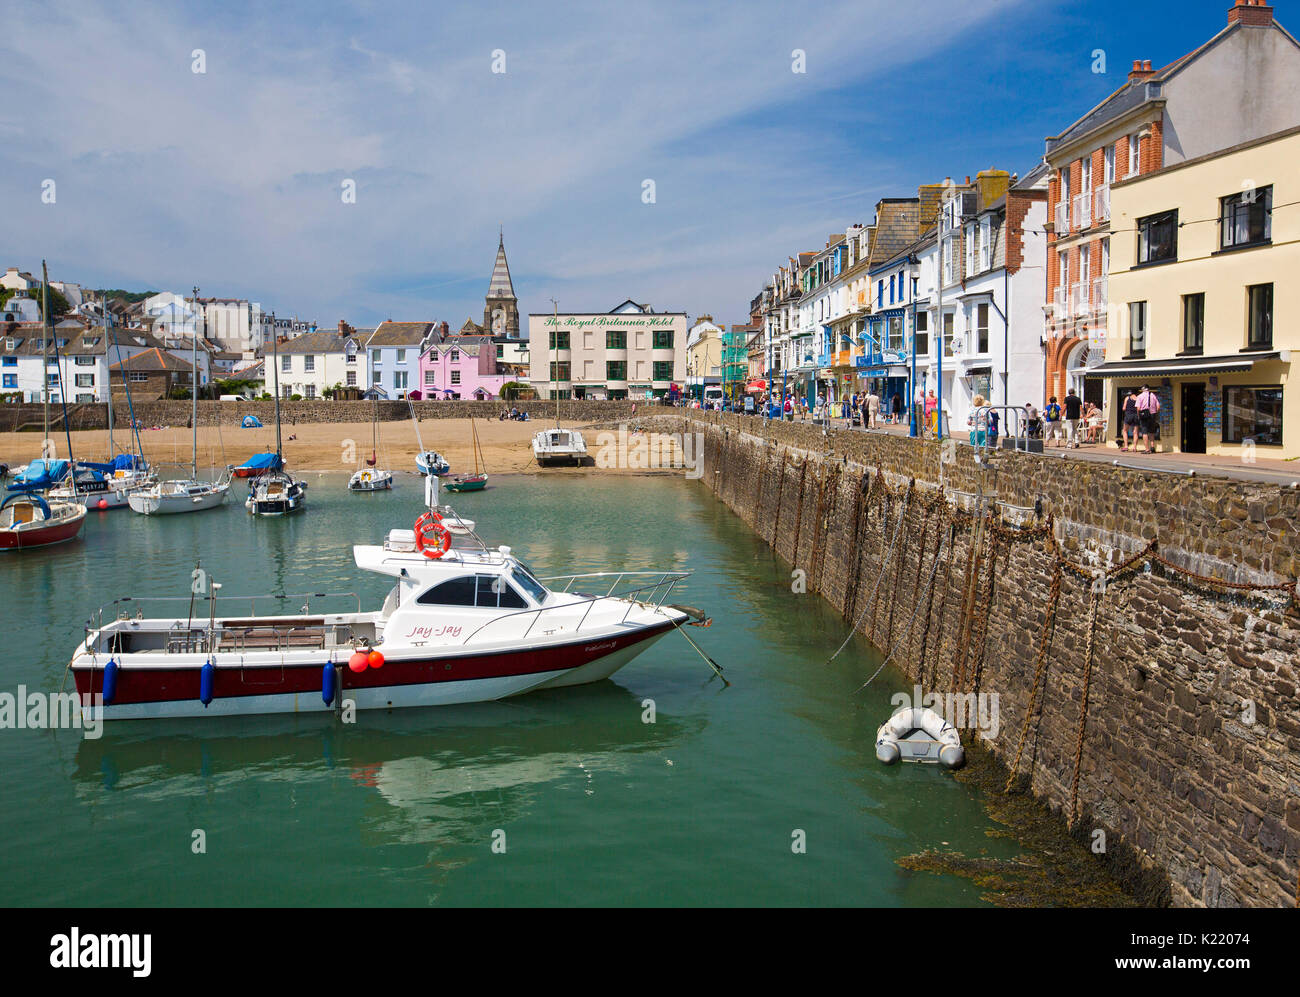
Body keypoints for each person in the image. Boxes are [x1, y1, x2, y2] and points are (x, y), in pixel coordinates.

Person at [1135, 384, 1161, 453]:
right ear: (1148, 389)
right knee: (1152, 431)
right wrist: (1155, 413)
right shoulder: (1153, 395)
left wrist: (1139, 415)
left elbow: (1138, 408)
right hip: (1152, 414)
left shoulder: (1140, 396)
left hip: (1144, 415)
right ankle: (1152, 447)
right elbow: (1158, 406)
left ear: (1142, 389)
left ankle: (1147, 449)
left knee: (1144, 432)